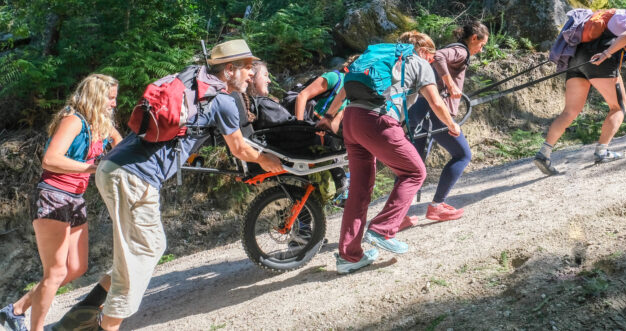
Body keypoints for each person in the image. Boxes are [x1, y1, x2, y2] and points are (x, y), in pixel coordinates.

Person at [94, 40, 283, 331]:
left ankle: (83, 312)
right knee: (145, 251)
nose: (250, 73)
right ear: (229, 69)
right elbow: (240, 149)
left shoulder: (194, 81)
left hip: (116, 167)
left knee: (136, 251)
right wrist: (268, 160)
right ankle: (105, 325)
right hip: (134, 175)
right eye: (246, 67)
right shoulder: (222, 100)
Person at [317, 31, 460, 274]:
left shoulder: (377, 59)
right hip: (377, 121)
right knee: (415, 172)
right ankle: (383, 228)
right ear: (423, 51)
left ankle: (348, 256)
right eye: (431, 55)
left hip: (351, 121)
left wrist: (330, 116)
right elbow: (436, 102)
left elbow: (343, 91)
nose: (432, 60)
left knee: (359, 190)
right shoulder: (418, 63)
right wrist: (451, 124)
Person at [0, 75, 121, 331]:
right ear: (96, 97)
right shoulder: (73, 120)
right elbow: (50, 160)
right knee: (55, 272)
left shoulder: (99, 124)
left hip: (75, 199)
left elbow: (121, 144)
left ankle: (16, 309)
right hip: (53, 196)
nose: (114, 103)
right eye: (110, 98)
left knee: (77, 267)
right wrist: (93, 167)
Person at [533, 2, 626, 175]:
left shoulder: (618, 21)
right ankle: (602, 152)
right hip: (599, 60)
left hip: (576, 59)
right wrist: (607, 53)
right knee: (619, 106)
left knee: (570, 111)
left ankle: (544, 154)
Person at [404, 21, 488, 227]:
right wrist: (450, 83)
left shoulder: (457, 51)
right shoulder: (461, 51)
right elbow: (438, 56)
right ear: (474, 38)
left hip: (420, 112)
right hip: (435, 115)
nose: (481, 50)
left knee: (416, 164)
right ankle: (437, 205)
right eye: (482, 44)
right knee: (463, 154)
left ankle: (399, 215)